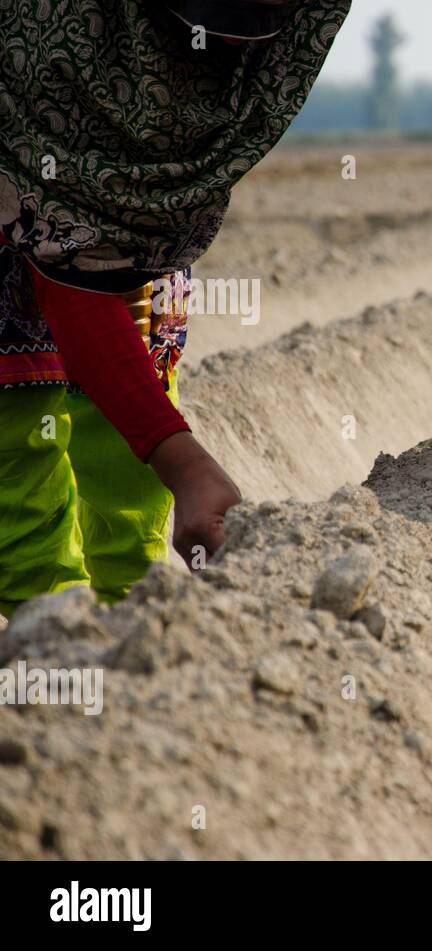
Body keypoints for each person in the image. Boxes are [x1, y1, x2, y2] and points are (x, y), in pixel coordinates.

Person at [0, 0, 350, 617]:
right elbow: (75, 279)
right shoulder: (44, 48)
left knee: (125, 443)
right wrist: (186, 465)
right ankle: (53, 644)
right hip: (18, 167)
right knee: (19, 436)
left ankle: (132, 617)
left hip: (137, 228)